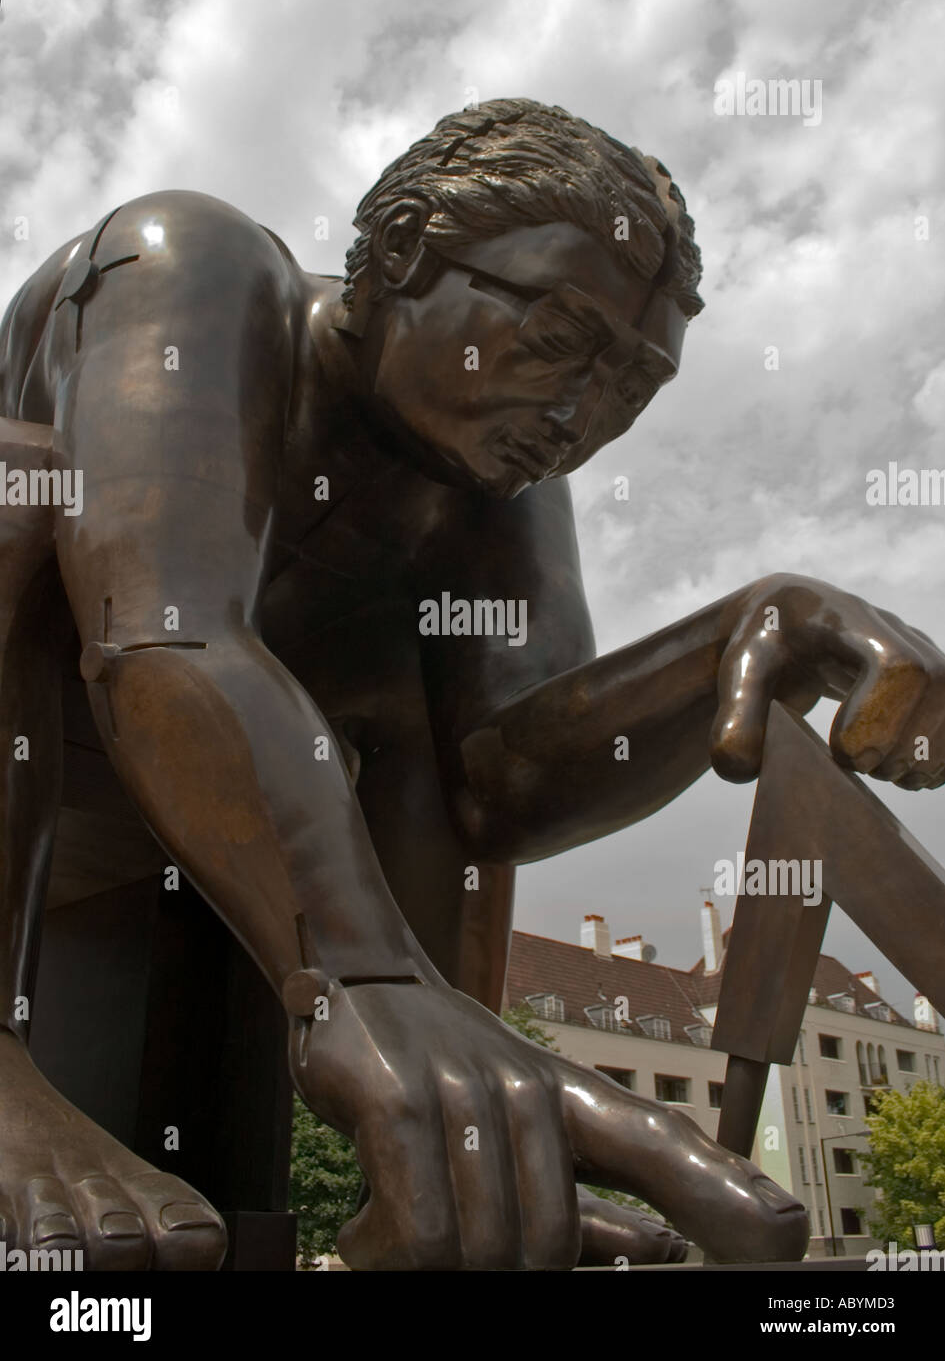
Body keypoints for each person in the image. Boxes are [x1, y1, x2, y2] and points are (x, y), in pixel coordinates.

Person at [0, 99, 940, 1271]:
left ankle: (469, 1130)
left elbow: (502, 785)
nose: (579, 418)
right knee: (19, 489)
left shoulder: (496, 477)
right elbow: (164, 628)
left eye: (628, 388)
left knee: (417, 675)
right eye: (554, 341)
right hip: (62, 775)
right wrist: (365, 974)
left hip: (215, 851)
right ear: (401, 255)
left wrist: (746, 638)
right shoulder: (189, 263)